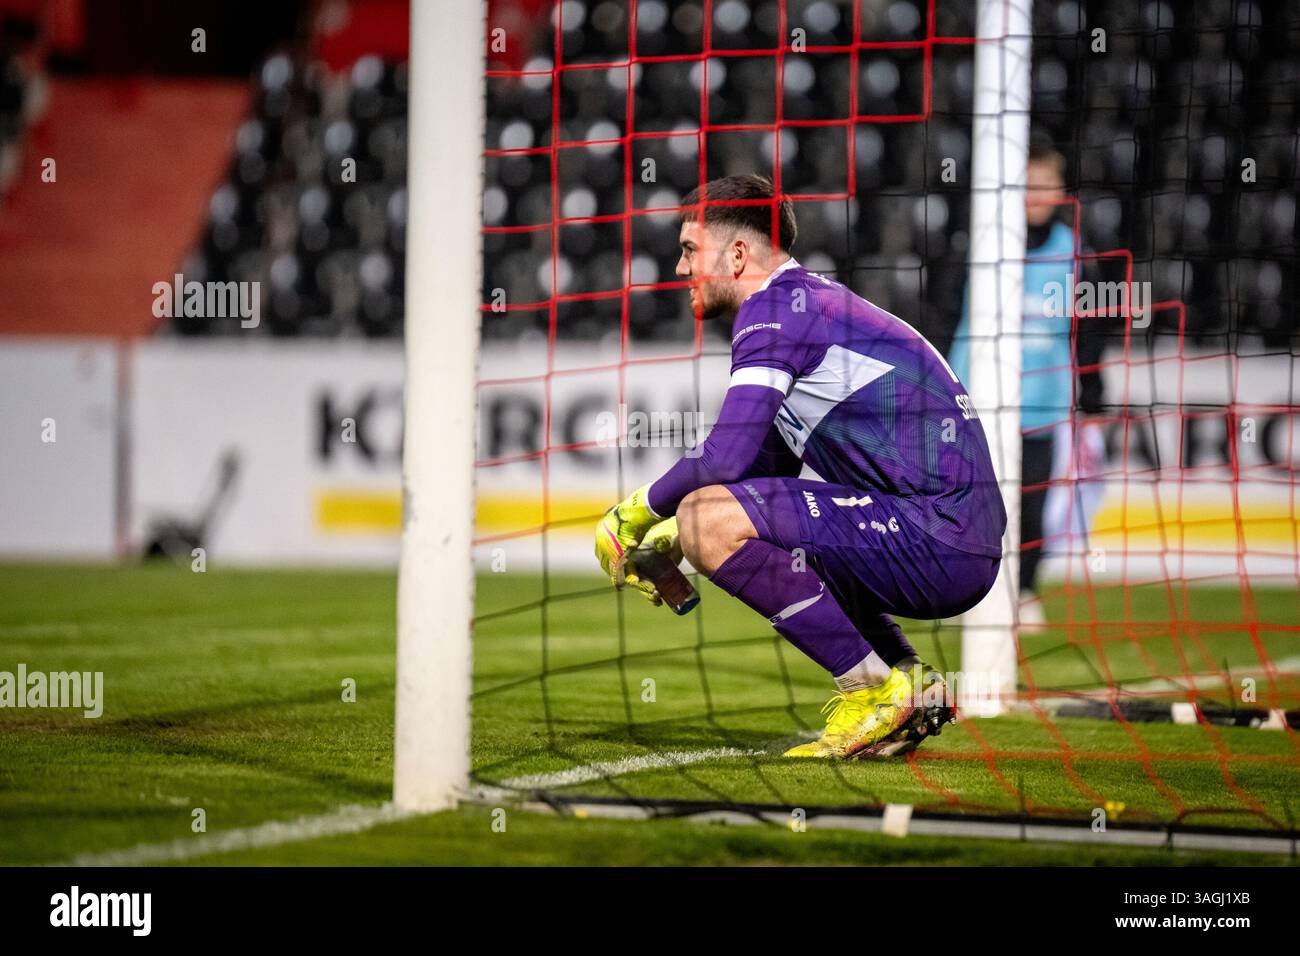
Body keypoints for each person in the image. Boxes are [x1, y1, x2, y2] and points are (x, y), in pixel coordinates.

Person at [594, 174, 1006, 759]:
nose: (681, 268)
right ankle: (908, 681)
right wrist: (674, 538)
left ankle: (870, 694)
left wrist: (632, 514)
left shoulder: (772, 313)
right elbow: (762, 474)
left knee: (707, 518)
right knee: (719, 523)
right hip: (954, 539)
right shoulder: (808, 304)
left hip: (936, 536)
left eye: (689, 250)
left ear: (737, 254)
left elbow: (725, 455)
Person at [948, 141, 1106, 627]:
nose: (1036, 194)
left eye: (1046, 185)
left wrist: (1094, 392)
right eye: (1028, 184)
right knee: (970, 503)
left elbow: (1090, 332)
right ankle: (968, 593)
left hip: (1041, 401)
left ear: (1060, 192)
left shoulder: (1074, 254)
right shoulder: (981, 242)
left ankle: (1029, 590)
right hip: (977, 399)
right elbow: (942, 310)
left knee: (1033, 505)